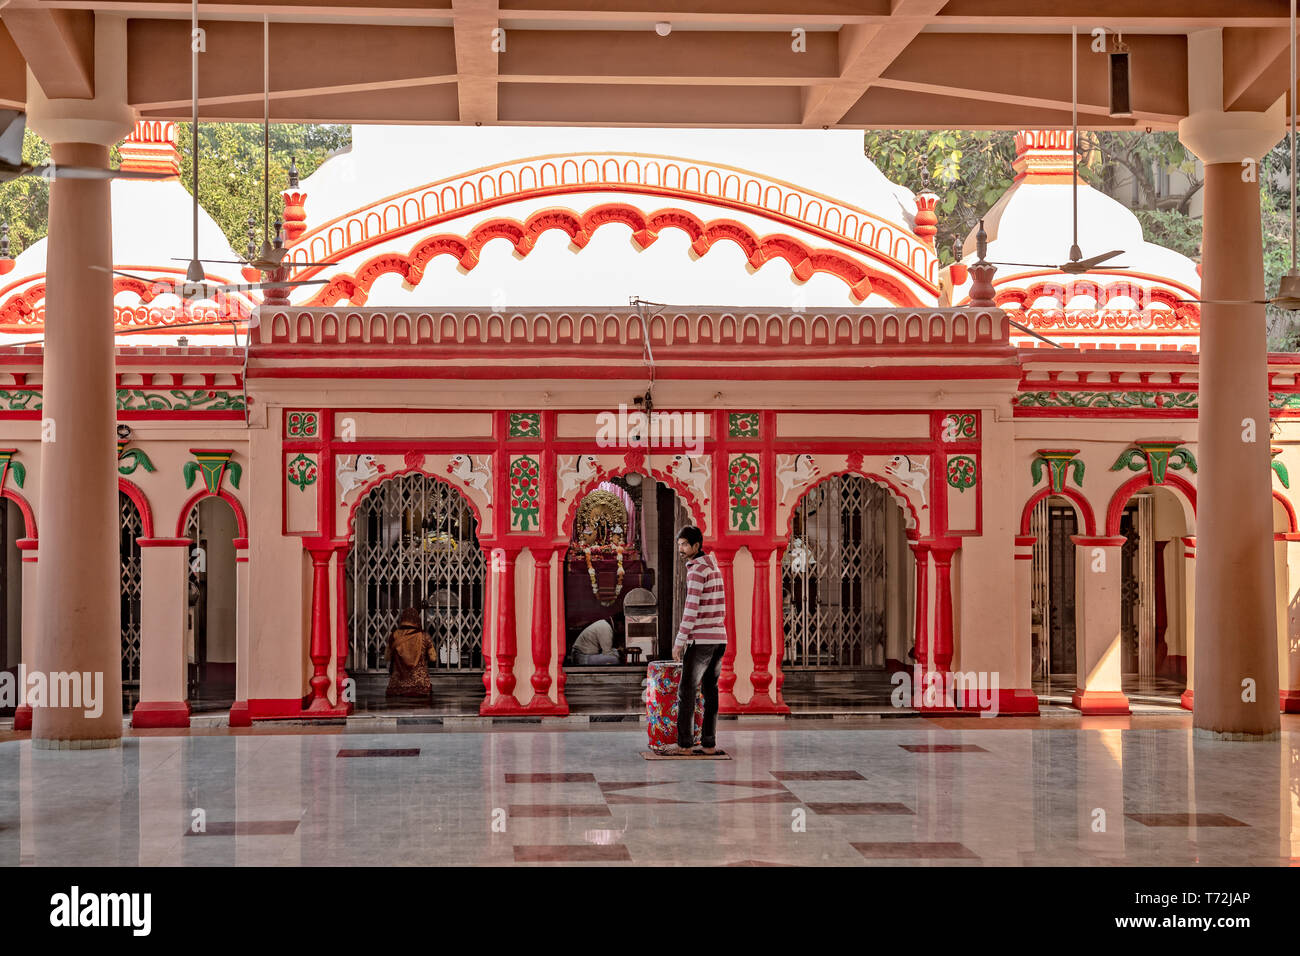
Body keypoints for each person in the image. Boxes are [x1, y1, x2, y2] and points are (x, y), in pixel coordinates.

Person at [668, 525, 727, 755]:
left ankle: (684, 745)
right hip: (719, 639)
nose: (681, 549)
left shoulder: (696, 571)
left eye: (684, 545)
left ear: (696, 546)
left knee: (687, 691)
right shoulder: (714, 567)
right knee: (710, 691)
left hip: (701, 640)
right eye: (679, 544)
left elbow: (690, 610)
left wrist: (679, 641)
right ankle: (709, 744)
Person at [386, 608, 435, 697]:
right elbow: (433, 658)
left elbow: (387, 657)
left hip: (397, 685)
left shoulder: (394, 636)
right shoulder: (424, 636)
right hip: (420, 684)